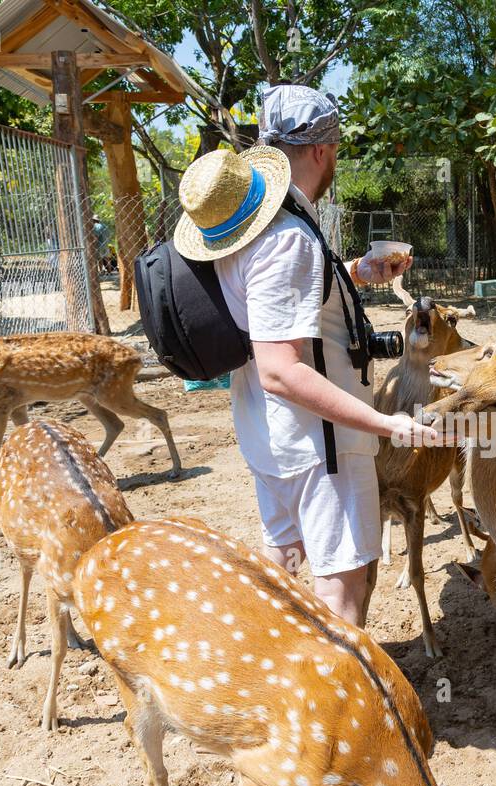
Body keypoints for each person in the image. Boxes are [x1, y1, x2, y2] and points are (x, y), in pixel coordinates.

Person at [173, 84, 440, 627]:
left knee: (282, 566)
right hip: (322, 448)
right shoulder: (288, 238)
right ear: (322, 151)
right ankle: (333, 703)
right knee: (342, 587)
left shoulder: (246, 228)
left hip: (268, 437)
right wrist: (385, 423)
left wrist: (357, 273)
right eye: (336, 148)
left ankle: (276, 686)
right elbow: (279, 369)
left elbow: (275, 303)